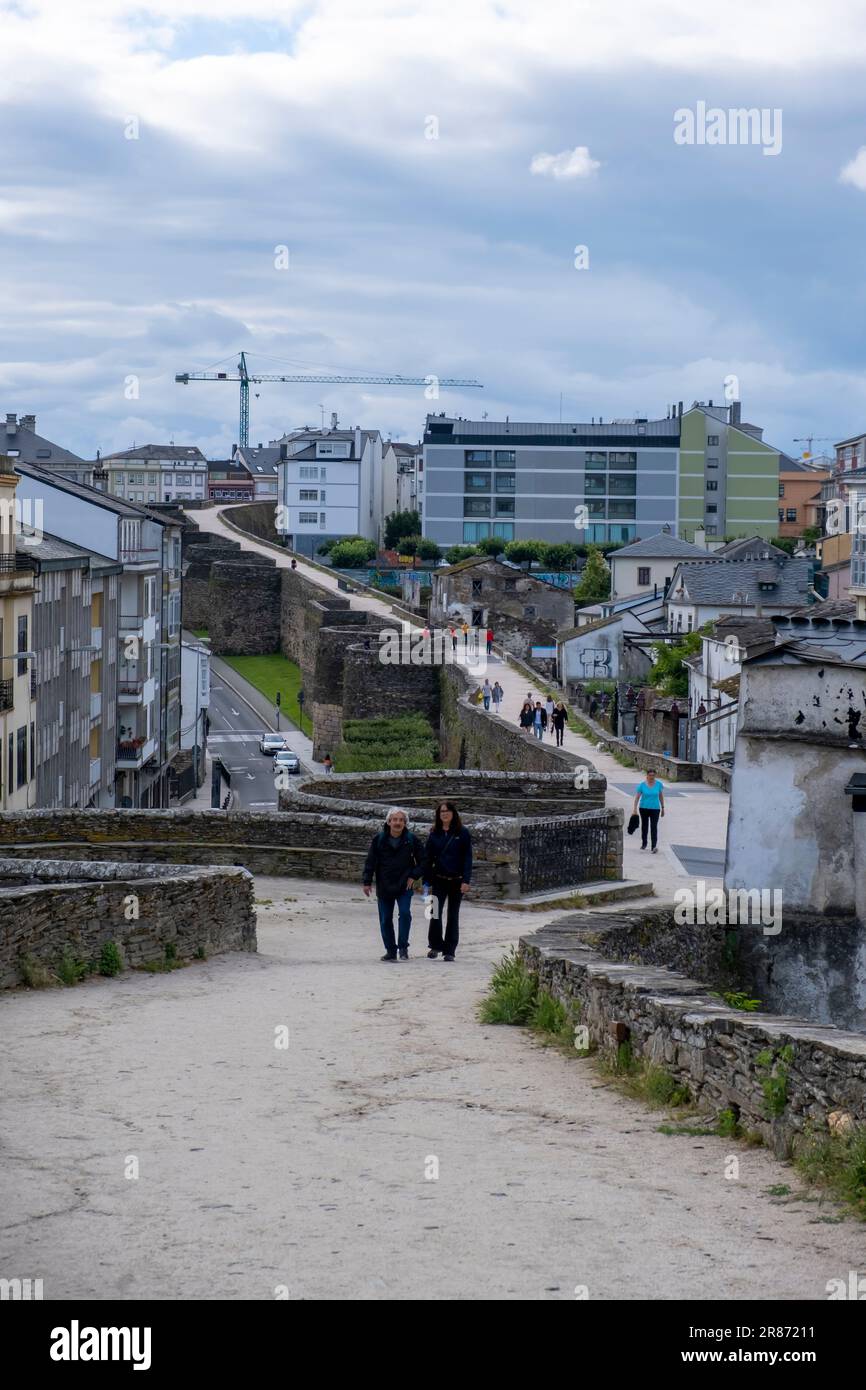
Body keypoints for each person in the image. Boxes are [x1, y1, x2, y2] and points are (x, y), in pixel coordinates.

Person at [362, 807, 424, 960]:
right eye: (394, 819)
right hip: (384, 884)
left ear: (405, 823)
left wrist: (414, 876)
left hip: (404, 885)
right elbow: (370, 861)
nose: (397, 823)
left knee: (404, 914)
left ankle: (403, 948)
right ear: (389, 822)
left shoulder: (411, 839)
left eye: (401, 820)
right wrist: (367, 881)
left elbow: (424, 861)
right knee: (385, 919)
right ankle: (390, 951)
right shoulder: (379, 839)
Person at [422, 802, 472, 961]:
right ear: (438, 814)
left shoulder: (462, 833)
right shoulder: (434, 833)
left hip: (457, 881)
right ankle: (435, 945)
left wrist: (466, 880)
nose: (444, 814)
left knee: (453, 915)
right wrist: (426, 881)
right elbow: (427, 859)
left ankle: (450, 950)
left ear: (453, 813)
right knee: (434, 913)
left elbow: (467, 858)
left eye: (447, 811)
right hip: (439, 880)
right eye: (442, 811)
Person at [632, 771, 665, 854]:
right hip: (643, 808)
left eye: (653, 775)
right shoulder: (642, 785)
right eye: (650, 775)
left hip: (655, 809)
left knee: (654, 827)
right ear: (647, 776)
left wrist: (663, 808)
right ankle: (644, 843)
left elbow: (660, 796)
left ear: (655, 776)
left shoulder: (659, 784)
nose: (651, 777)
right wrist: (635, 809)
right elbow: (637, 798)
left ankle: (654, 846)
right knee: (644, 826)